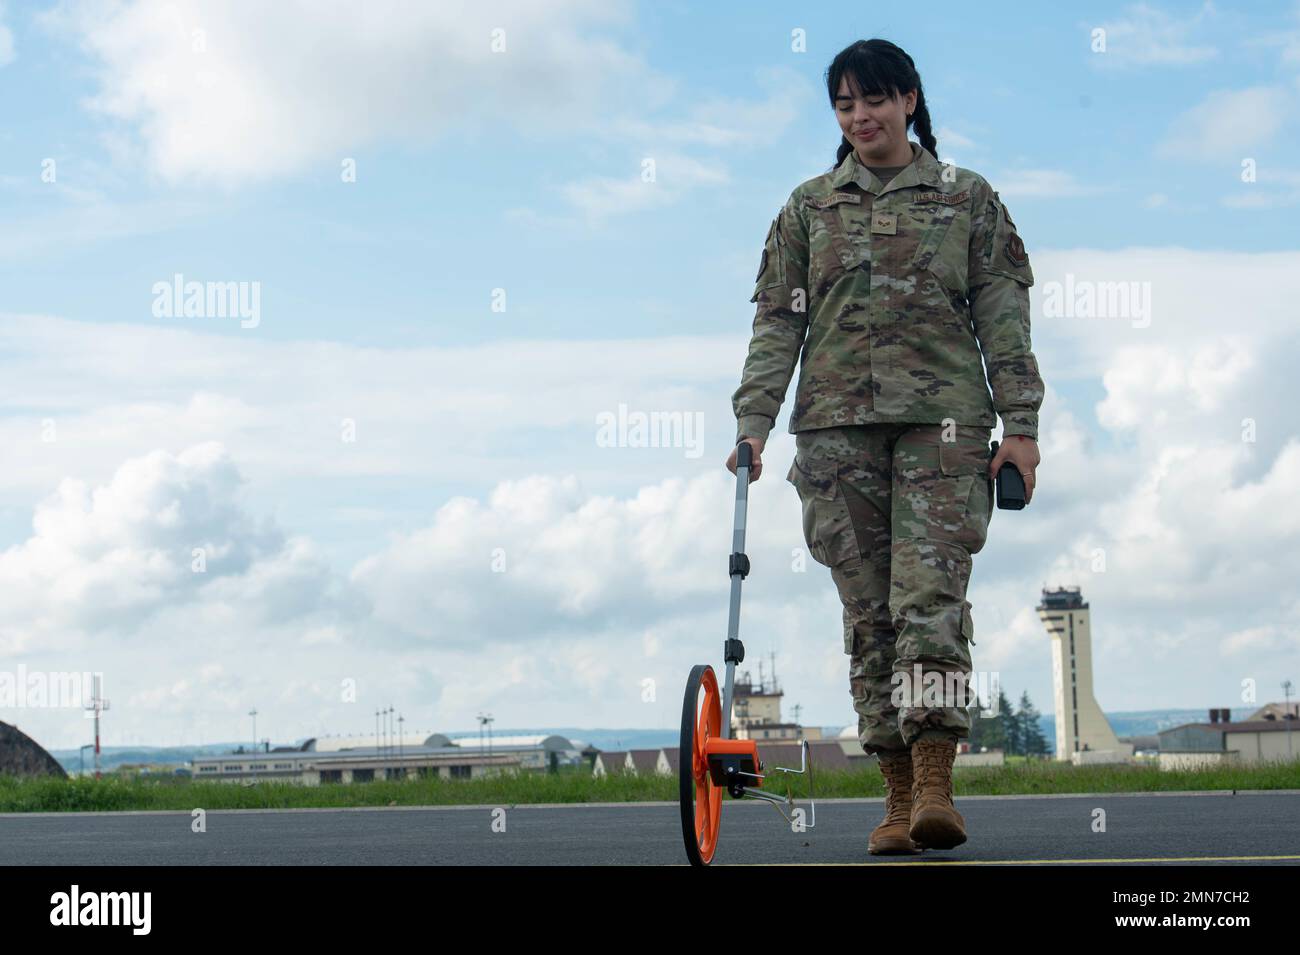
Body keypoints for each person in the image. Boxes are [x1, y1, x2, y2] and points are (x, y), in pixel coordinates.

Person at [726, 38, 1044, 854]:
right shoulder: (806, 208)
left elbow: (1003, 319)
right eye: (843, 104)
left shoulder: (968, 199)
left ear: (909, 99)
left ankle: (937, 781)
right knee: (870, 619)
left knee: (927, 604)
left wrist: (1024, 429)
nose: (859, 117)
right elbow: (779, 323)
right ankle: (897, 798)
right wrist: (753, 423)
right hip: (834, 435)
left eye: (872, 99)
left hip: (944, 429)